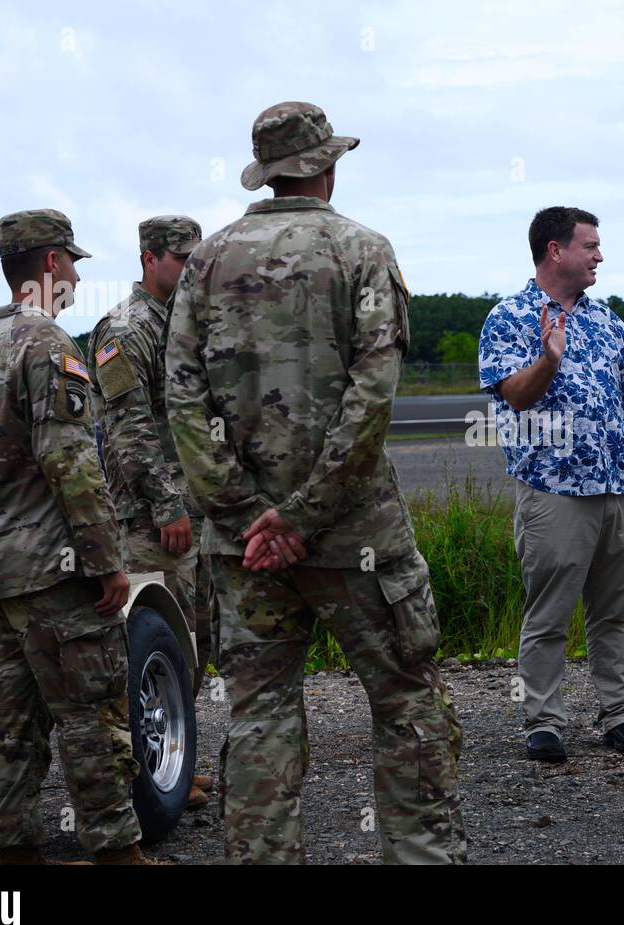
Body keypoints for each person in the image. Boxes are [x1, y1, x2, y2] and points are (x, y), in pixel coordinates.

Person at [166, 101, 466, 864]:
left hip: (243, 549)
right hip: (356, 536)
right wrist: (303, 514)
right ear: (327, 166)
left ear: (268, 175)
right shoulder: (362, 250)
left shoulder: (206, 260)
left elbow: (182, 396)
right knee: (404, 699)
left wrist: (244, 512)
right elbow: (373, 395)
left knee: (259, 709)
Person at [0, 209, 154, 865]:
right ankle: (118, 853)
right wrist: (106, 562)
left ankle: (13, 849)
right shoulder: (50, 347)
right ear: (49, 264)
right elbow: (72, 465)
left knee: (9, 721)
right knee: (90, 716)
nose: (72, 275)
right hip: (49, 570)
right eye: (70, 262)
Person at [478, 206, 624, 763]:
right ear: (556, 250)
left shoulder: (606, 321)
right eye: (591, 245)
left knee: (614, 613)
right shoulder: (510, 318)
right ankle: (544, 722)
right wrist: (549, 361)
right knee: (550, 613)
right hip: (555, 492)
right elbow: (516, 395)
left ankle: (619, 714)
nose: (599, 255)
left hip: (619, 488)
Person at [87, 215, 215, 809]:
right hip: (151, 520)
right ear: (149, 258)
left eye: (195, 259)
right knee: (151, 649)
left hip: (198, 510)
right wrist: (167, 506)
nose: (190, 269)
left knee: (195, 642)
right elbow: (129, 426)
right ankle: (139, 781)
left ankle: (178, 767)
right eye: (180, 259)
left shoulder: (187, 323)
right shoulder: (125, 328)